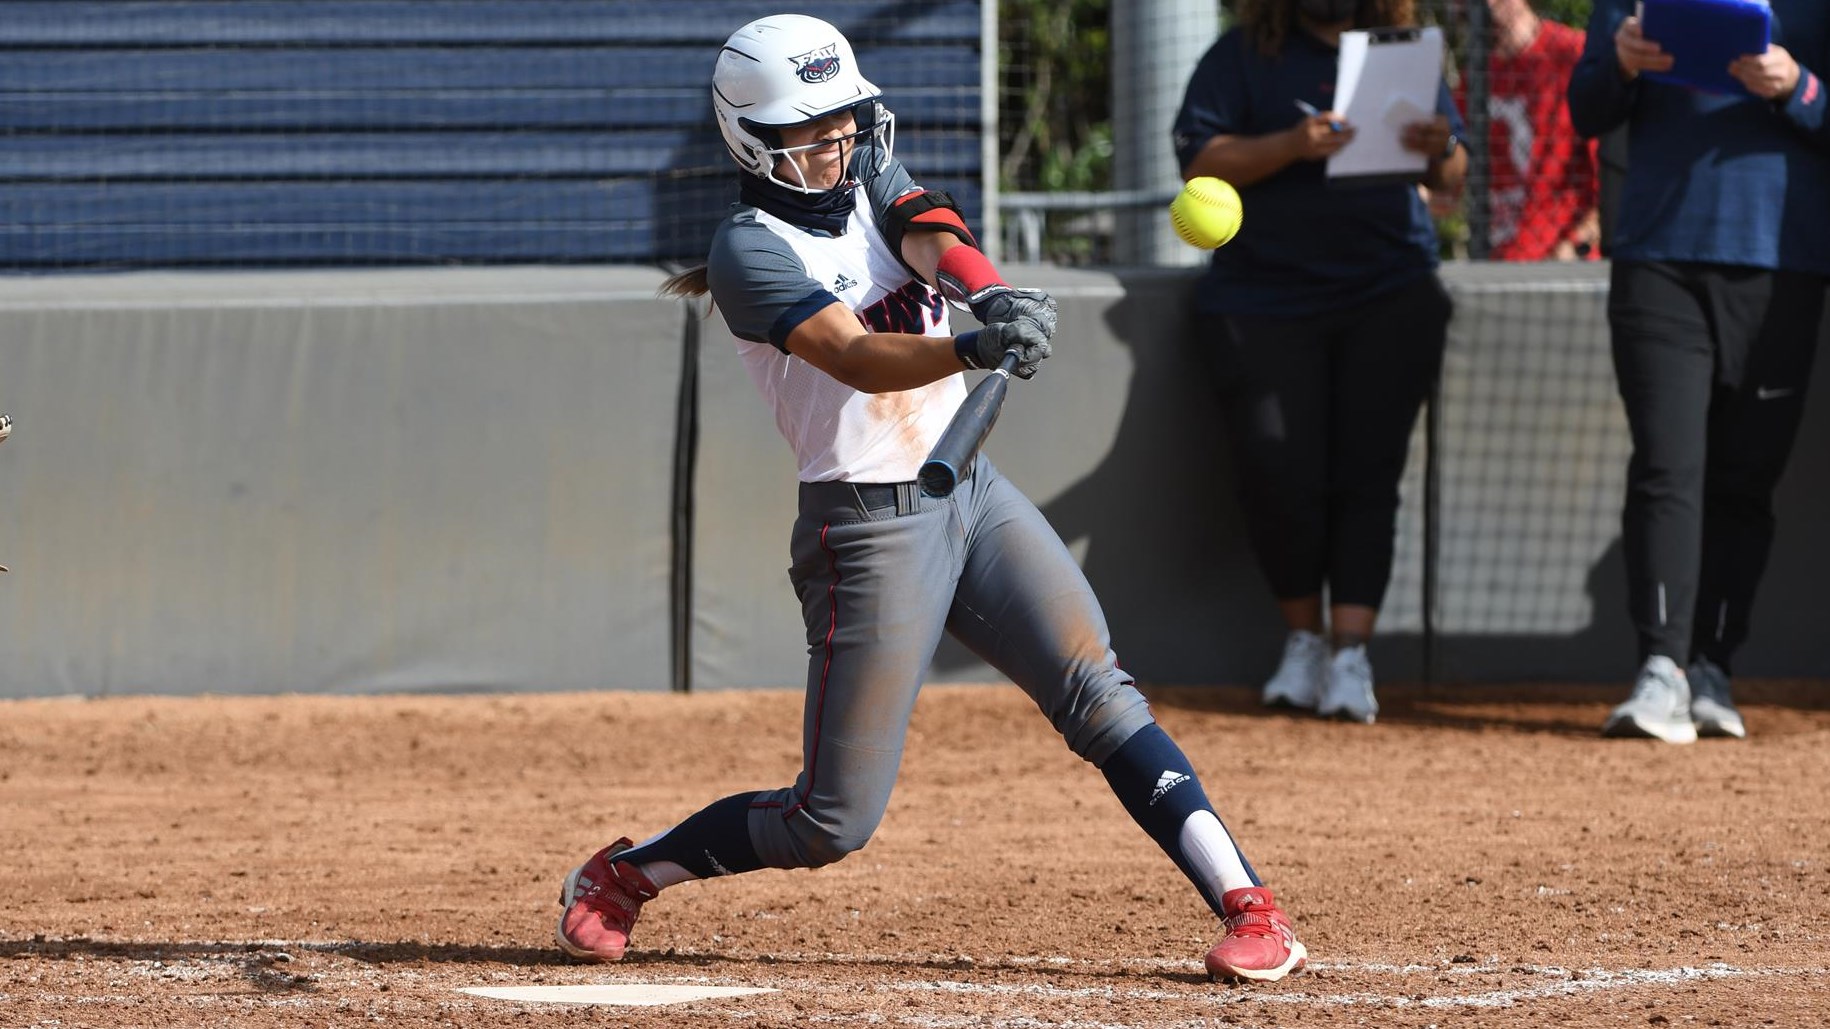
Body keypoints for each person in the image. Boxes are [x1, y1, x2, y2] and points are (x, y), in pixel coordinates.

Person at [555, 14, 1308, 983]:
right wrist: (971, 346)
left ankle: (1251, 906)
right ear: (754, 139)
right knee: (832, 820)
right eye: (810, 131)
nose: (837, 143)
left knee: (1097, 690)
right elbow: (858, 357)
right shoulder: (750, 247)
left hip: (970, 491)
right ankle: (625, 875)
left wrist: (989, 297)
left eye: (843, 122)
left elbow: (931, 234)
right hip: (866, 531)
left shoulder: (868, 179)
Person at [1171, 0, 1467, 723]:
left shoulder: (1399, 52)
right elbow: (1200, 161)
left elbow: (1452, 183)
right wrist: (1294, 144)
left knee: (1369, 472)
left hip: (1390, 293)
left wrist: (1437, 145)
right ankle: (1303, 640)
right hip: (1262, 301)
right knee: (1278, 468)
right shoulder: (1241, 56)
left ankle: (1350, 657)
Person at [1569, 2, 1829, 742]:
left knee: (1746, 477)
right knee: (1667, 463)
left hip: (1784, 267)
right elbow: (1587, 106)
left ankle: (1712, 666)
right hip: (1658, 257)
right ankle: (1662, 667)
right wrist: (1619, 61)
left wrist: (1799, 87)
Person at [1473, 0, 1601, 261]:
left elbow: (1614, 182)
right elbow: (1447, 194)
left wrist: (1575, 245)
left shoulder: (1572, 54)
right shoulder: (1476, 78)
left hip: (1568, 267)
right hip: (1497, 265)